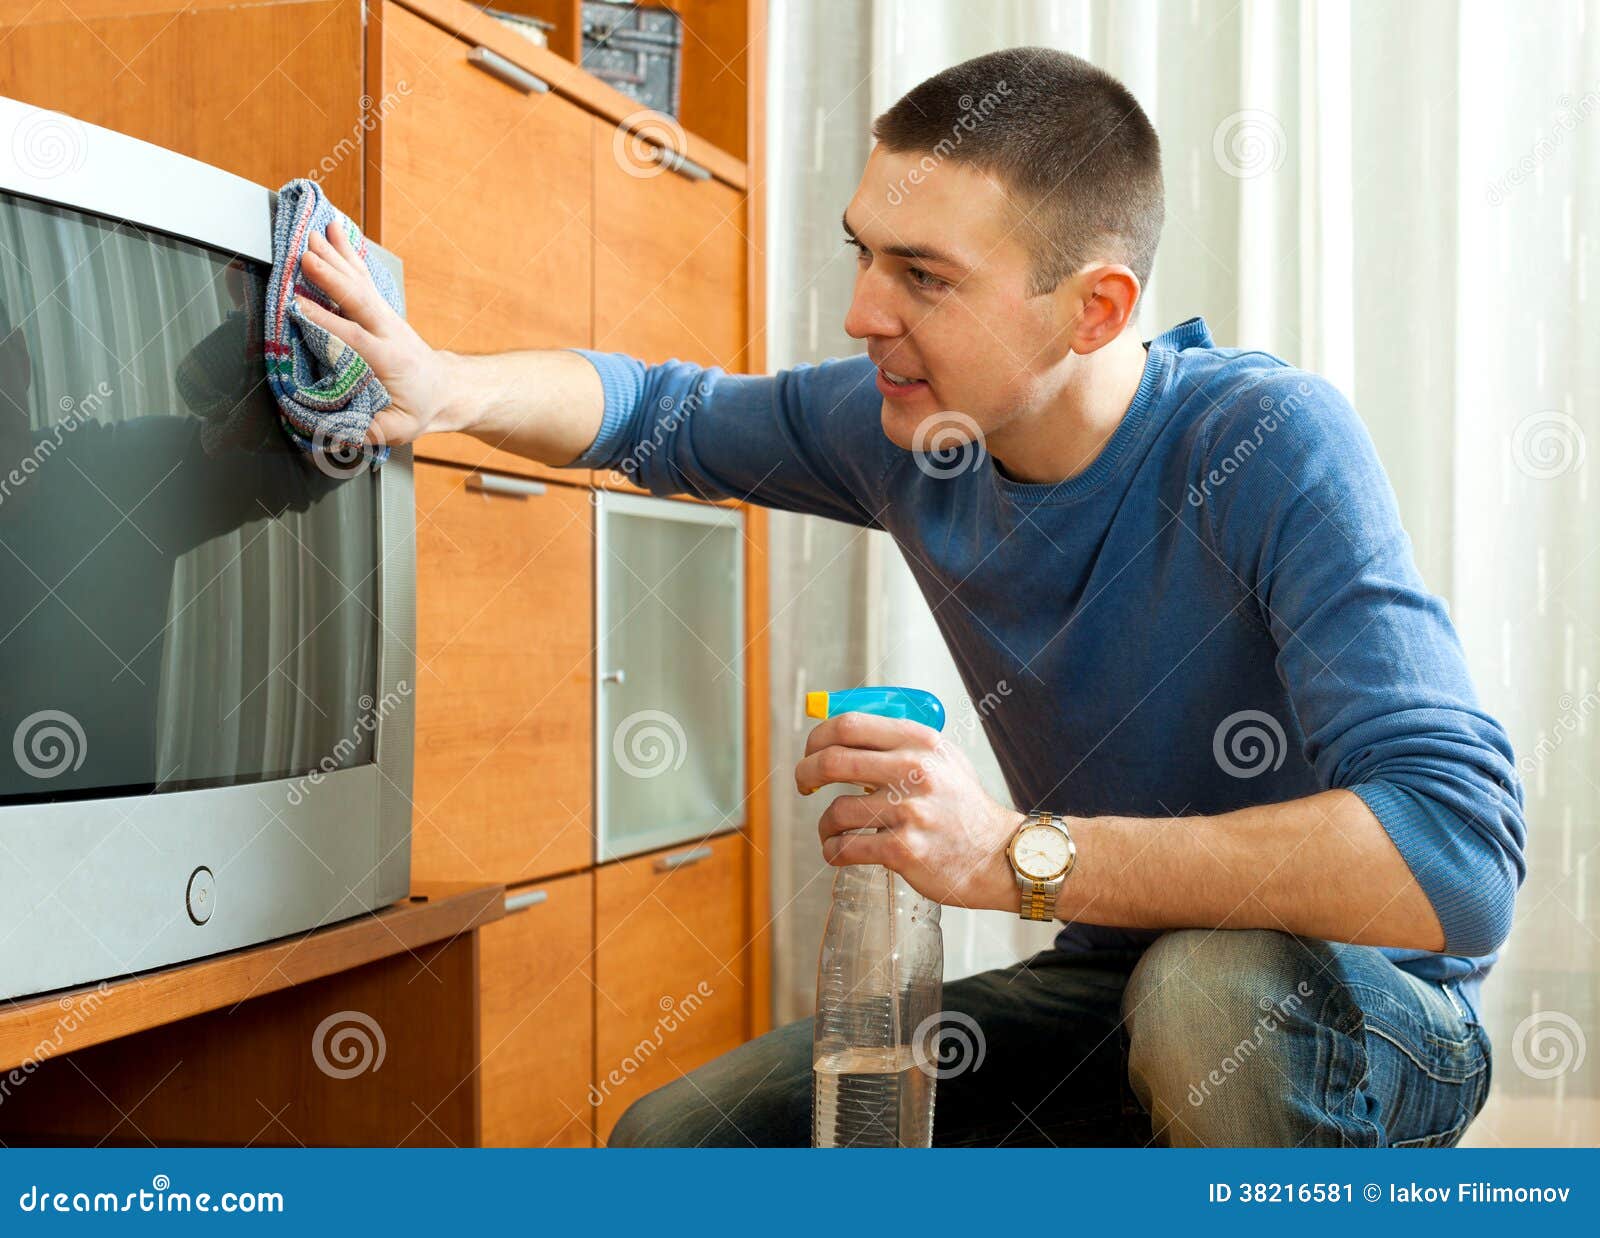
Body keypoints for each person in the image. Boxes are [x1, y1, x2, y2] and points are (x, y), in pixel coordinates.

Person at [296, 47, 1524, 1147]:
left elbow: (1456, 856)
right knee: (682, 1139)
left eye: (923, 276)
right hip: (1111, 989)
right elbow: (649, 406)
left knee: (1204, 994)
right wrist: (446, 383)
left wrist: (1013, 855)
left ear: (1093, 308)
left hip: (1358, 1011)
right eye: (863, 253)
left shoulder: (1265, 439)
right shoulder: (906, 430)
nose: (860, 311)